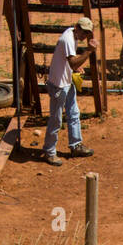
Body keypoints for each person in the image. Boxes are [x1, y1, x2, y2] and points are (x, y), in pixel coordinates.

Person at [42, 17, 96, 166]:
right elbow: (72, 63)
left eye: (87, 33)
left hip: (67, 81)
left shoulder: (73, 34)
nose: (84, 35)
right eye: (83, 31)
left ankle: (76, 145)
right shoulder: (67, 39)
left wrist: (75, 67)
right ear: (76, 27)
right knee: (56, 119)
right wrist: (89, 51)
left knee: (73, 113)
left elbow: (69, 61)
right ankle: (49, 151)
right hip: (58, 85)